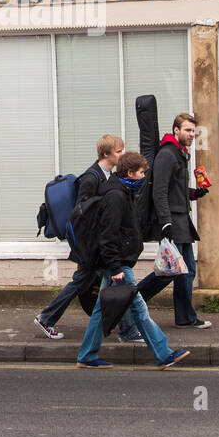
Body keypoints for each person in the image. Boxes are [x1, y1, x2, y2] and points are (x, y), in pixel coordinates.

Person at [77, 152, 190, 369]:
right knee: (139, 309)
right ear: (129, 173)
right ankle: (164, 353)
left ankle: (87, 355)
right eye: (140, 173)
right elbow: (107, 235)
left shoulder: (123, 191)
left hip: (118, 262)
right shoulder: (116, 196)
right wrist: (115, 267)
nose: (143, 177)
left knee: (102, 310)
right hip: (118, 264)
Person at [34, 135, 144, 343]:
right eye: (119, 151)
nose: (122, 155)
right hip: (91, 246)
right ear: (106, 154)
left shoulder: (106, 175)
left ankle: (47, 317)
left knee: (83, 283)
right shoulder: (91, 178)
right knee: (117, 281)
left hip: (97, 245)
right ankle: (127, 330)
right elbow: (81, 214)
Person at [136, 113, 211, 328]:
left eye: (193, 131)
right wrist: (166, 222)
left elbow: (174, 189)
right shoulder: (167, 154)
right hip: (173, 221)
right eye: (187, 130)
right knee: (169, 271)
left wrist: (194, 194)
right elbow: (159, 192)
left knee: (184, 270)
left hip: (181, 219)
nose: (191, 135)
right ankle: (132, 302)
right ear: (176, 130)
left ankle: (185, 317)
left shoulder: (179, 153)